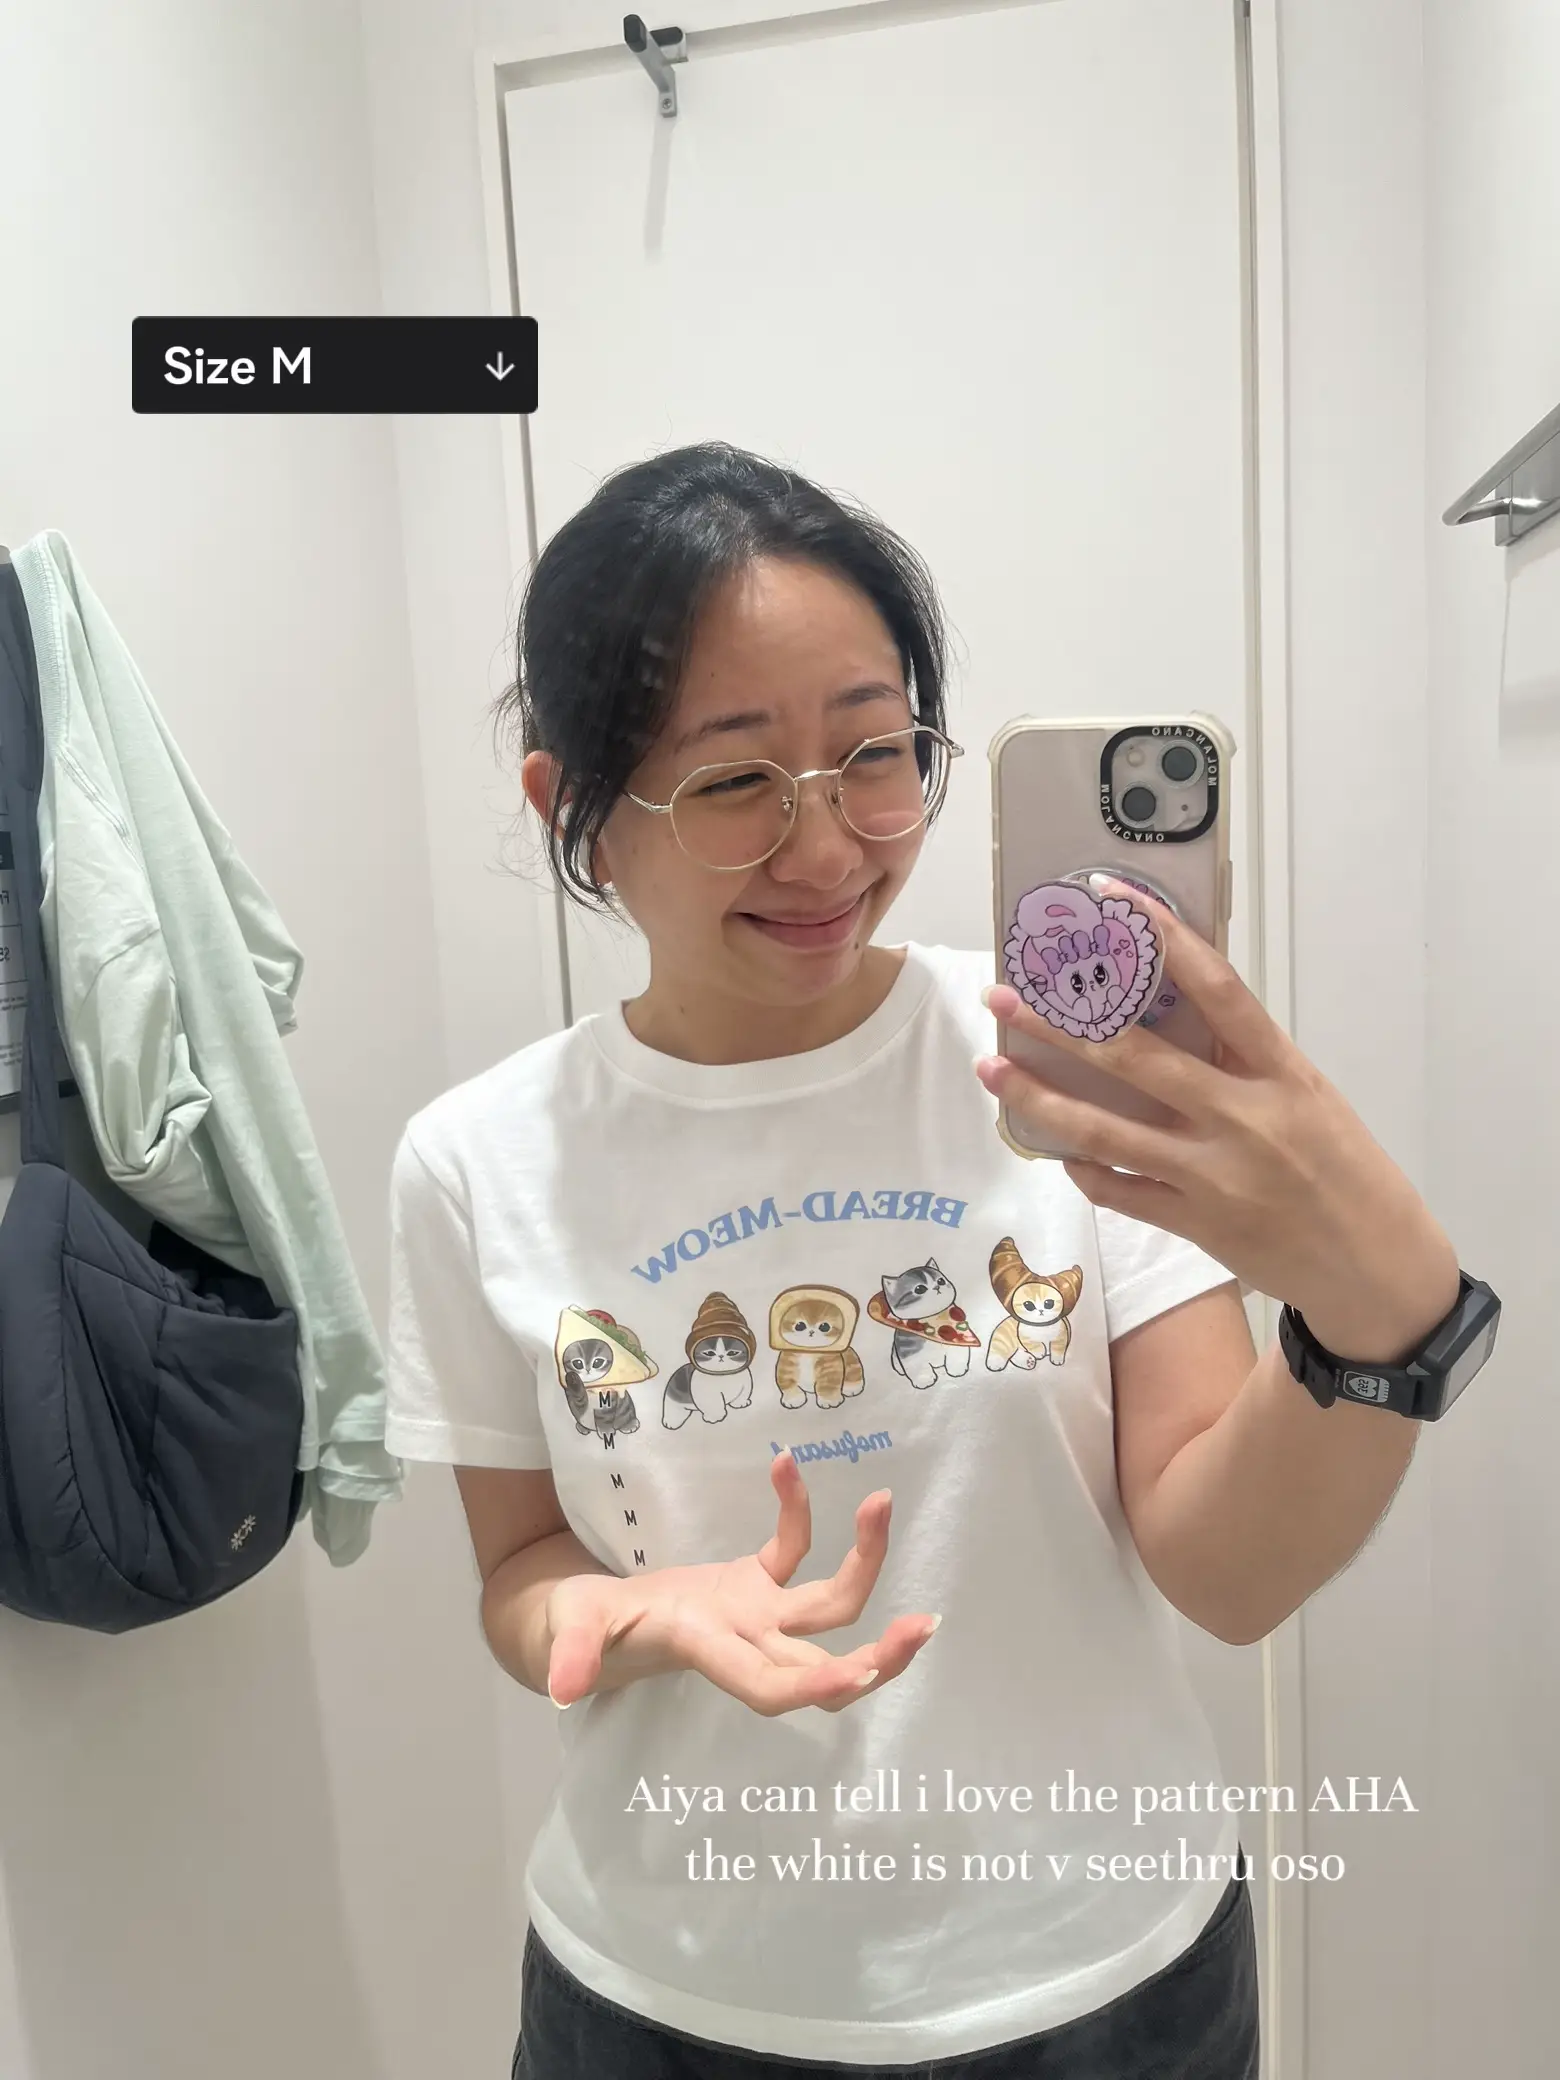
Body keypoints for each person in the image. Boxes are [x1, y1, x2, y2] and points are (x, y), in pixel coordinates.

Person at [383, 442, 1459, 2079]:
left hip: (1102, 1987)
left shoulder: (1062, 1063)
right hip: (667, 2004)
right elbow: (523, 1574)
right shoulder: (477, 1161)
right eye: (733, 783)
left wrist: (1378, 1319)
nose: (828, 850)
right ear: (572, 812)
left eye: (875, 755)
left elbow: (1228, 1574)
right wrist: (620, 1611)